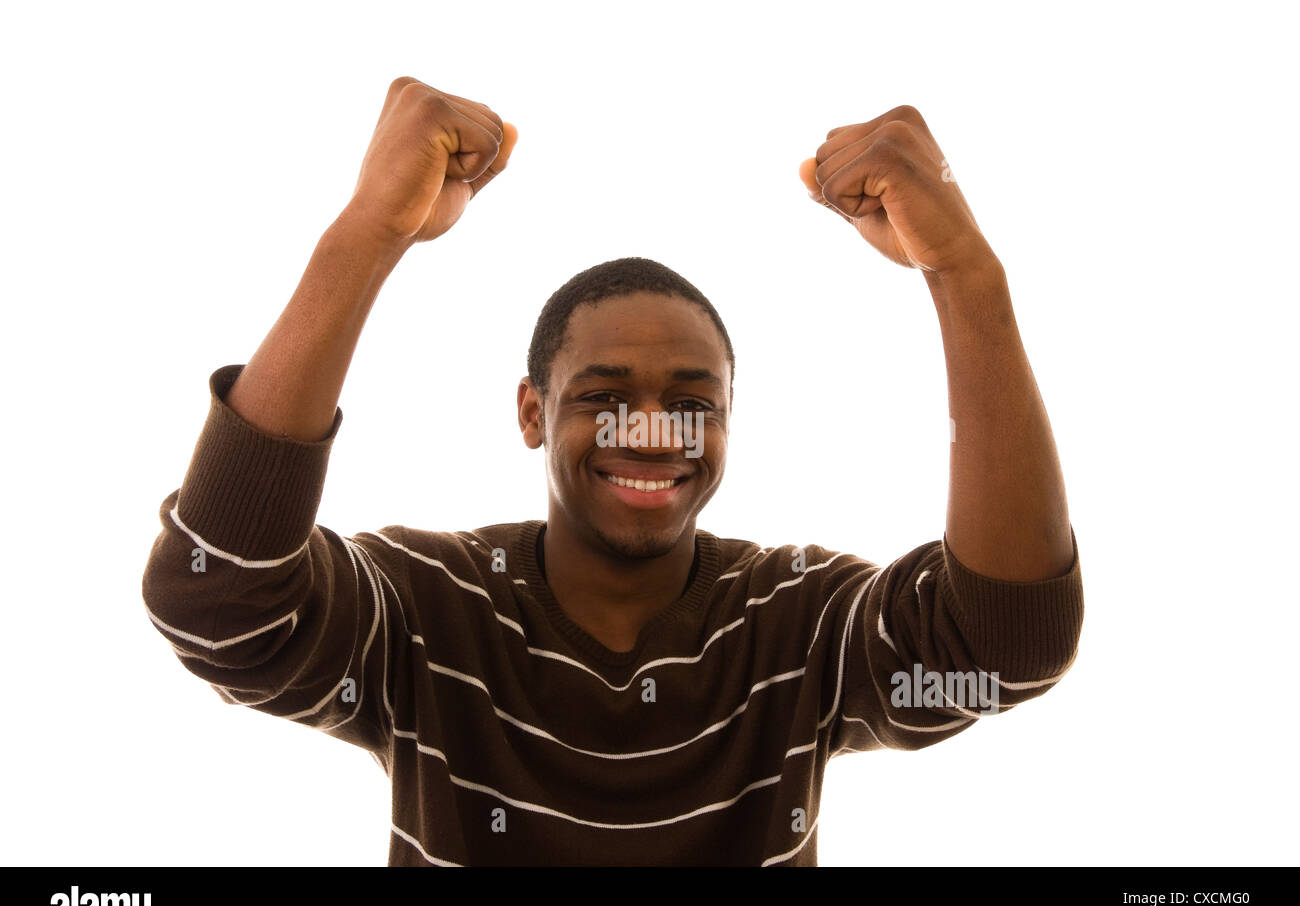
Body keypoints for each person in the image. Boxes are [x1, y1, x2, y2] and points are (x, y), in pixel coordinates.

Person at [141, 76, 1084, 866]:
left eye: (692, 402)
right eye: (600, 395)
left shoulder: (799, 624)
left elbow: (1006, 643)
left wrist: (965, 273)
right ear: (529, 413)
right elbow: (214, 597)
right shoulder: (430, 610)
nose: (651, 429)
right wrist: (366, 235)